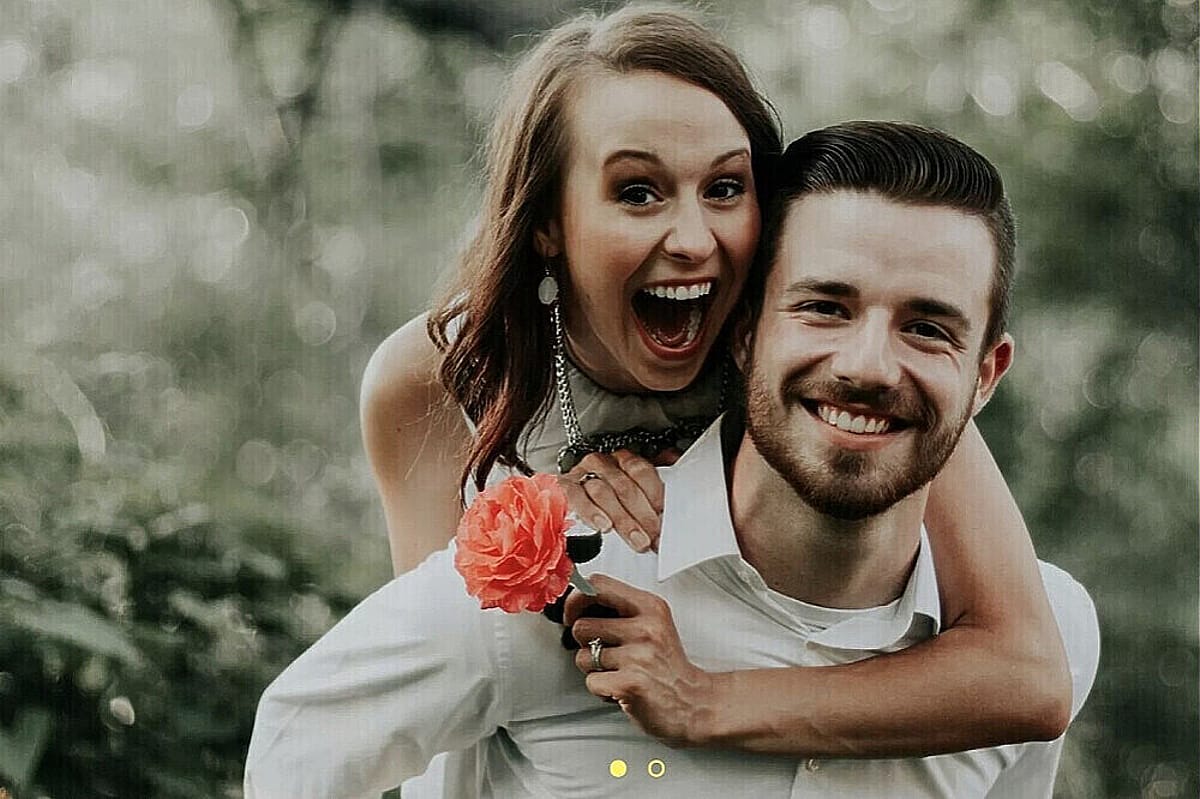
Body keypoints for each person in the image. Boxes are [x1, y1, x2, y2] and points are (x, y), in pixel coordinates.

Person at [244, 121, 1100, 798]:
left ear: (986, 374)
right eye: (824, 307)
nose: (870, 365)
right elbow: (297, 744)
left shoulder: (1051, 632)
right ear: (743, 330)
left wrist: (707, 700)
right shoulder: (553, 588)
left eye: (928, 327)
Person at [356, 4, 1071, 761]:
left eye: (726, 188)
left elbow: (1027, 673)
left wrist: (705, 699)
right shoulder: (432, 379)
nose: (695, 240)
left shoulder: (834, 364)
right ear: (547, 221)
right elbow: (439, 699)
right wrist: (548, 524)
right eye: (638, 193)